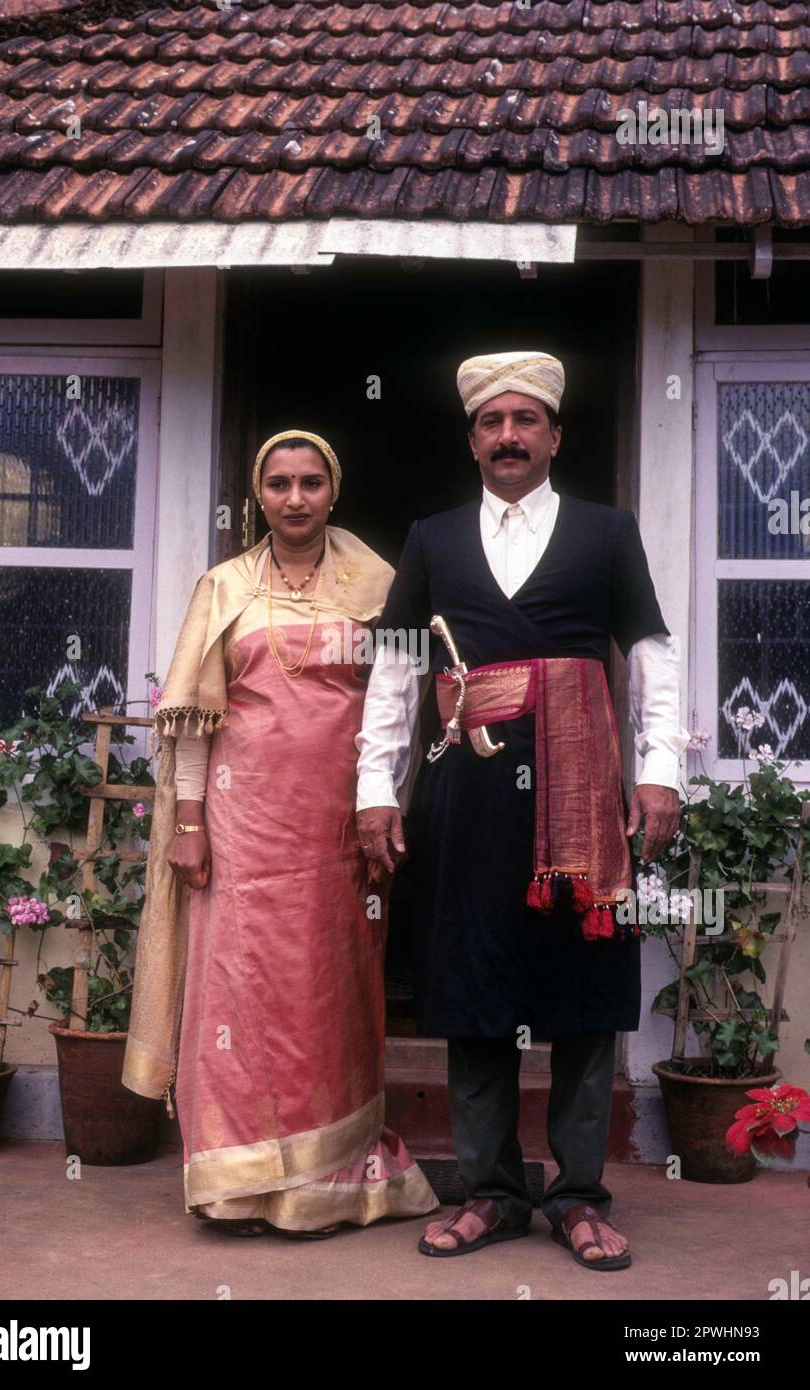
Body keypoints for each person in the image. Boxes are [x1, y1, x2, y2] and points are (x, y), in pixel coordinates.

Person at [355, 352, 690, 1267]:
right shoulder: (431, 539)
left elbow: (650, 651)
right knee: (472, 983)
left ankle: (577, 1196)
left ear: (553, 436)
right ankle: (492, 1194)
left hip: (580, 789)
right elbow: (396, 666)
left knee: (582, 987)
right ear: (472, 441)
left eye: (525, 420)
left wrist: (660, 771)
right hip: (467, 790)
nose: (508, 436)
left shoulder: (606, 532)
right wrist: (375, 787)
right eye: (491, 422)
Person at [122, 428, 437, 1237]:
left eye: (309, 483)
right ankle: (234, 1185)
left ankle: (324, 1187)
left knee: (328, 992)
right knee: (237, 991)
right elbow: (195, 718)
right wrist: (189, 822)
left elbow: (402, 705)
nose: (294, 498)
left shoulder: (379, 584)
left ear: (333, 491)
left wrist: (387, 808)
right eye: (278, 484)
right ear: (257, 496)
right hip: (241, 826)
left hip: (339, 827)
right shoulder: (224, 586)